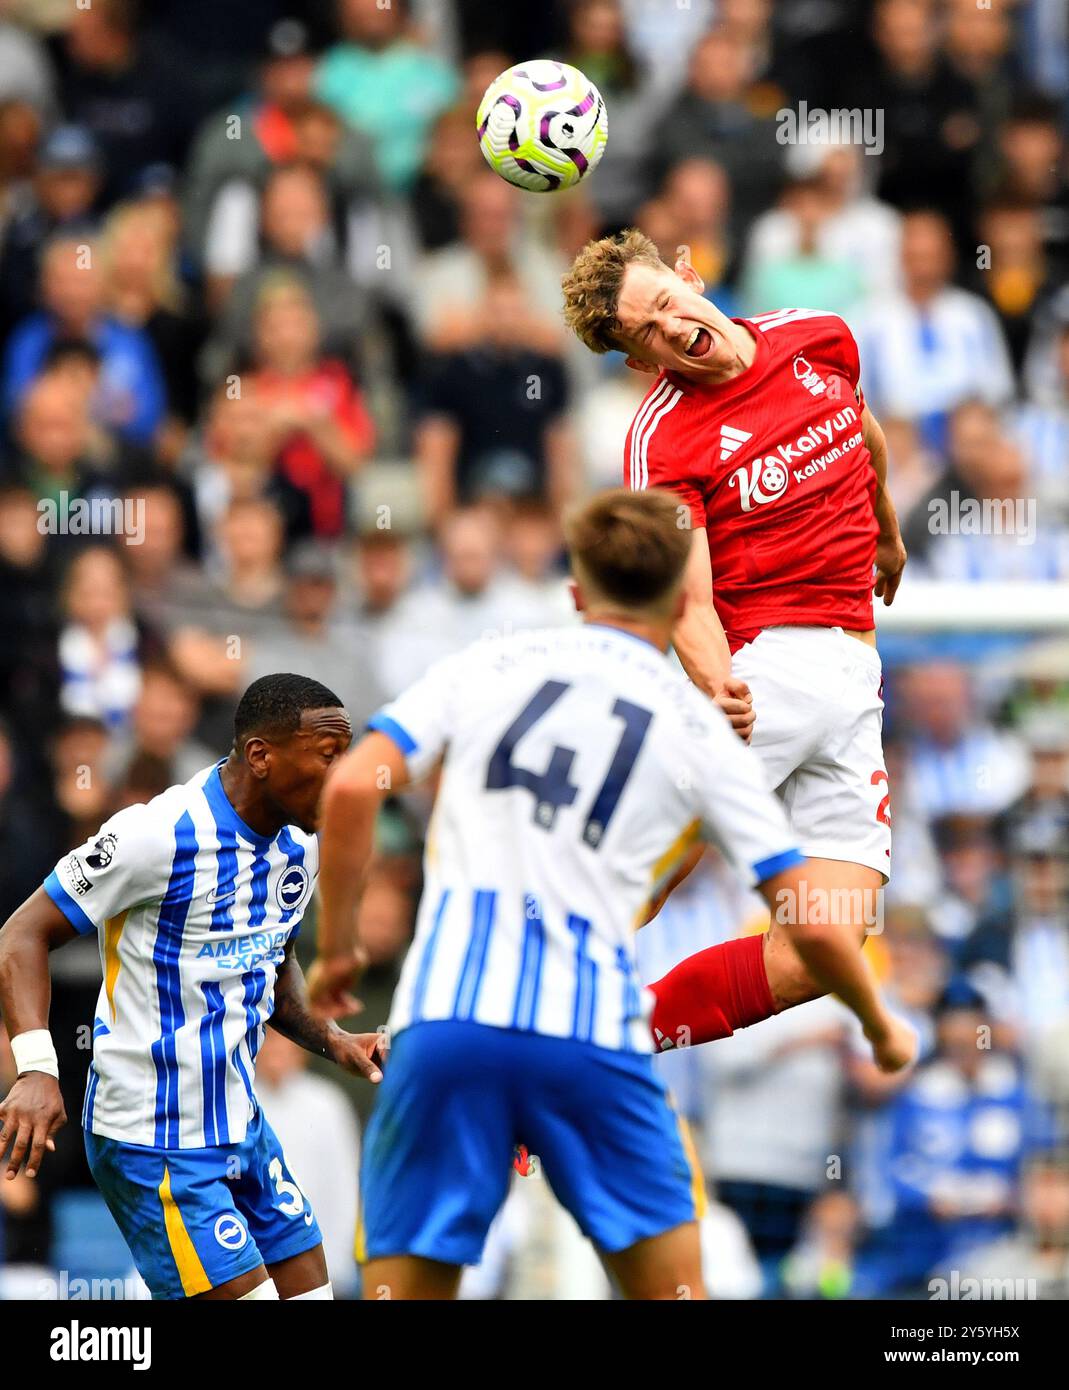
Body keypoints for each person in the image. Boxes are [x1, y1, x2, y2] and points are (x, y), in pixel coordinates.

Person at [311, 489, 912, 1301]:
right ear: (684, 602)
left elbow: (351, 789)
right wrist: (878, 1022)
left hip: (444, 1022)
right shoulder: (704, 729)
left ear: (574, 593)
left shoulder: (486, 665)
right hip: (590, 1038)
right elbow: (815, 922)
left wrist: (339, 949)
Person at [560, 228, 907, 1058]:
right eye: (646, 333)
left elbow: (860, 434)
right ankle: (503, 1027)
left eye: (666, 303)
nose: (672, 327)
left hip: (856, 683)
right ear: (639, 362)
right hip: (768, 669)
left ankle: (604, 1043)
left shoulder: (816, 333)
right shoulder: (664, 439)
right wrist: (716, 686)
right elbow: (688, 594)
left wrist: (887, 537)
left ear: (687, 272)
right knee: (638, 868)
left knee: (819, 951)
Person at [0, 673, 385, 1300]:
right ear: (261, 756)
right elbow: (20, 935)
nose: (343, 776)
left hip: (240, 1121)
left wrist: (330, 1037)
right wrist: (38, 1070)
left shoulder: (299, 846)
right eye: (328, 755)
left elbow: (269, 961)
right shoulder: (155, 836)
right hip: (153, 1136)